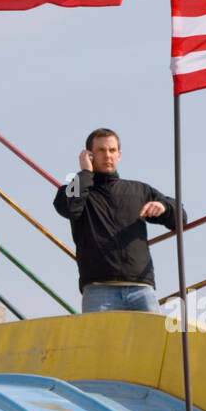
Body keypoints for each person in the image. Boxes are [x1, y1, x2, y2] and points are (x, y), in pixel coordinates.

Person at [53, 127, 186, 314]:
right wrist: (84, 173)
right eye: (101, 150)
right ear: (89, 155)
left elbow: (181, 218)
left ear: (119, 155)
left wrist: (164, 207)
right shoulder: (78, 189)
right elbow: (69, 207)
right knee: (99, 344)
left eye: (112, 150)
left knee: (151, 343)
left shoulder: (138, 190)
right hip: (98, 289)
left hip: (141, 287)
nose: (108, 155)